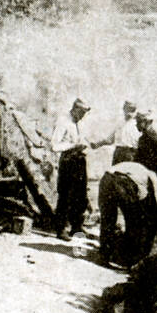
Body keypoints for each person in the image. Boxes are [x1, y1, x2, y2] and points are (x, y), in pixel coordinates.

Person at [51, 98, 110, 240]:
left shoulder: (79, 124)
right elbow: (54, 145)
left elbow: (83, 140)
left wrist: (94, 143)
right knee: (65, 195)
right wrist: (73, 146)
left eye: (85, 114)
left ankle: (76, 227)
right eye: (82, 113)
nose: (83, 116)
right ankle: (61, 229)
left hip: (79, 161)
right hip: (68, 161)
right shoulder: (63, 122)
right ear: (75, 109)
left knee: (80, 195)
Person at [98, 160, 157, 268]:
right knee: (133, 221)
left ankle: (104, 256)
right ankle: (129, 259)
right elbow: (150, 198)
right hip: (121, 181)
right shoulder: (151, 177)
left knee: (108, 219)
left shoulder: (137, 168)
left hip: (105, 179)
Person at [134, 111, 157, 178]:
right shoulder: (142, 138)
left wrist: (156, 175)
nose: (136, 125)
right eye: (137, 122)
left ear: (147, 122)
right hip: (142, 176)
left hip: (151, 177)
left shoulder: (154, 138)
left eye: (139, 122)